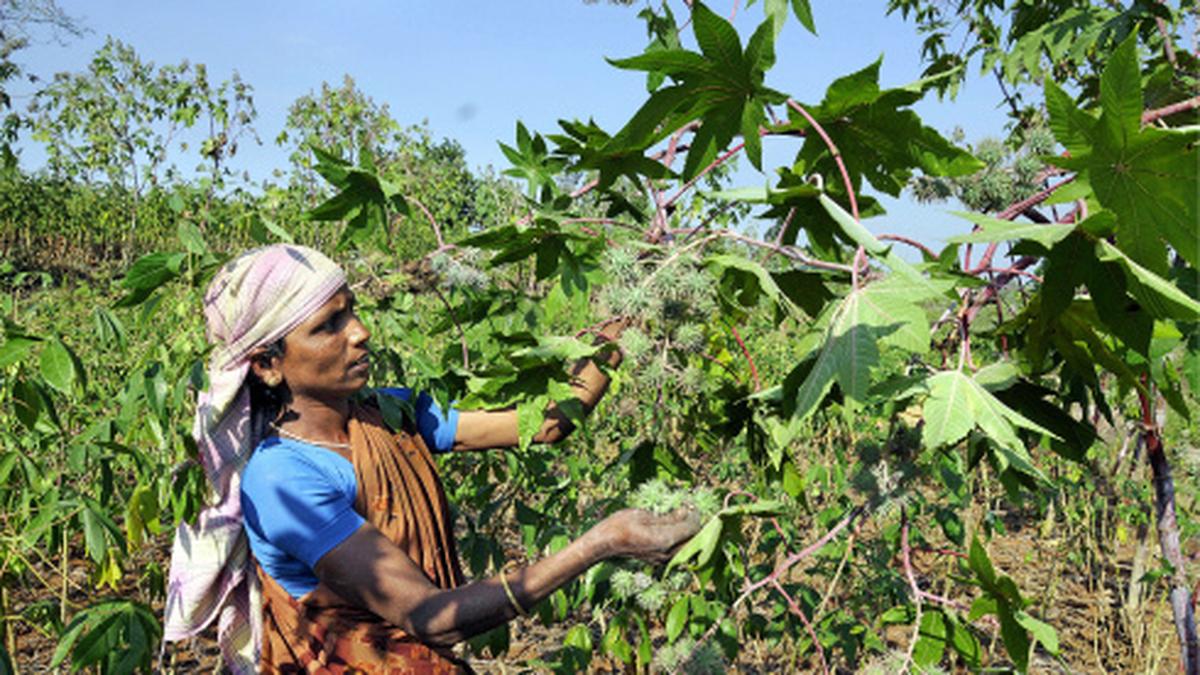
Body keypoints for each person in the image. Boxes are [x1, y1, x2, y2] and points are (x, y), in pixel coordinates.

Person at [162, 244, 699, 673]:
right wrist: (598, 545)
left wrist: (632, 314)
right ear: (267, 364)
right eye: (329, 325)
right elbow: (431, 617)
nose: (360, 332)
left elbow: (549, 423)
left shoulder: (390, 413)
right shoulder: (283, 480)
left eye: (352, 310)